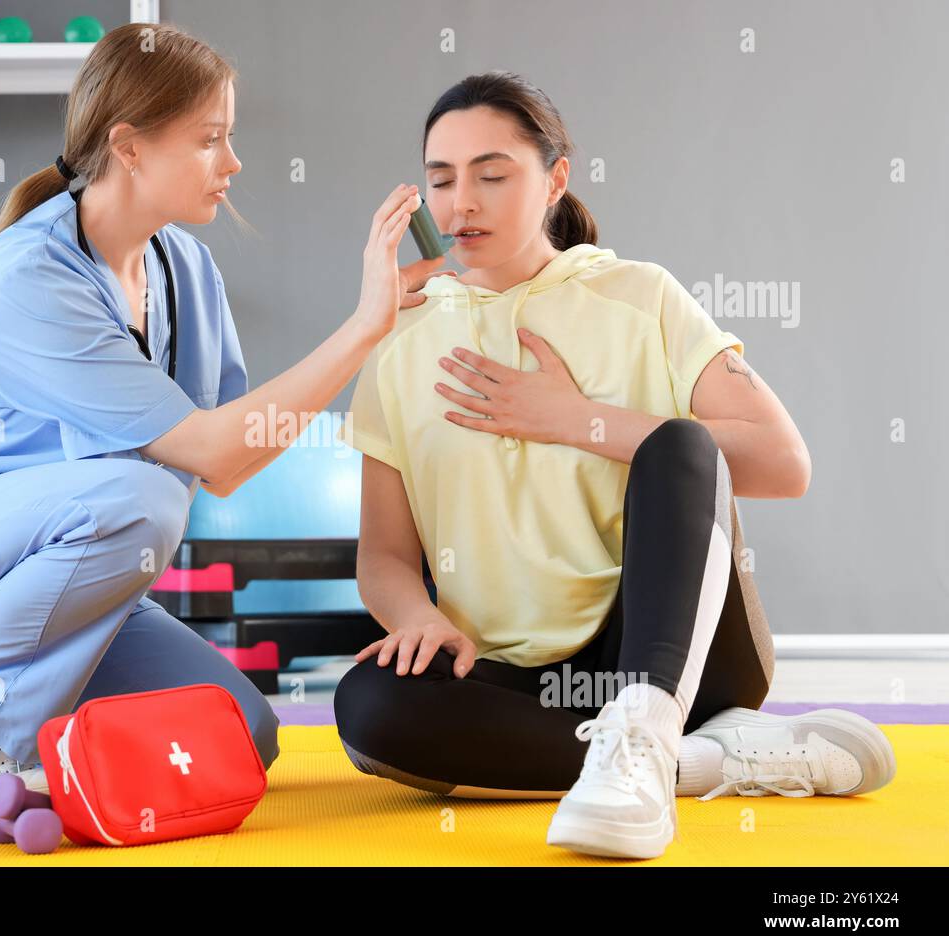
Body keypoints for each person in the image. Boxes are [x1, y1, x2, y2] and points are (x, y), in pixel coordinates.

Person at [0, 23, 446, 804]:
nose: (233, 163)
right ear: (129, 146)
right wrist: (364, 327)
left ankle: (29, 729)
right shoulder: (32, 272)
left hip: (54, 578)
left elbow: (231, 464)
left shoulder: (184, 265)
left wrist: (371, 331)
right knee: (143, 496)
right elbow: (205, 456)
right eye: (209, 140)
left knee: (238, 733)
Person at [333, 71, 896, 859]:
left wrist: (577, 422)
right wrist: (419, 620)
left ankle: (648, 722)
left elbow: (783, 462)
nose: (462, 203)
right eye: (442, 180)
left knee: (680, 441)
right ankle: (702, 760)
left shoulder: (640, 295)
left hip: (678, 654)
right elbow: (384, 557)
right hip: (514, 676)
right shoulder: (396, 338)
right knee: (369, 712)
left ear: (555, 180)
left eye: (493, 175)